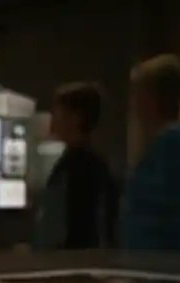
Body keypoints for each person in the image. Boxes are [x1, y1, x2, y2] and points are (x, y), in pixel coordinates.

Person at [120, 55, 180, 258]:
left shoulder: (172, 140)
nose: (134, 102)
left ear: (154, 96)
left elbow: (163, 210)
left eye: (139, 93)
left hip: (158, 260)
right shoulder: (162, 141)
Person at [34, 83, 119, 251]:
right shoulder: (85, 162)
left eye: (57, 113)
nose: (52, 119)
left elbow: (74, 226)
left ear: (75, 118)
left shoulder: (80, 167)